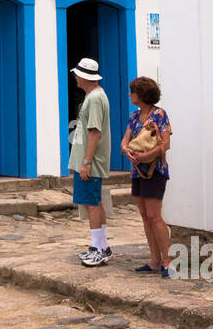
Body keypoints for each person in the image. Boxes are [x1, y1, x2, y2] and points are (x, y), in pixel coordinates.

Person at [121, 77, 173, 277]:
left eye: (132, 91)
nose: (129, 95)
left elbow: (165, 144)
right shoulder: (134, 117)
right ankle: (154, 260)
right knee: (144, 216)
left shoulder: (160, 115)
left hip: (155, 170)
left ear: (141, 94)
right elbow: (125, 140)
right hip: (137, 171)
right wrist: (127, 150)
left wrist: (145, 156)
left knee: (154, 215)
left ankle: (167, 260)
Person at [69, 58, 113, 267]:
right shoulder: (95, 96)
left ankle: (97, 249)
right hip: (89, 160)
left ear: (84, 77)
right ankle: (102, 246)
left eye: (77, 74)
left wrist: (86, 161)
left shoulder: (94, 98)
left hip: (90, 161)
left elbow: (95, 131)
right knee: (95, 201)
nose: (75, 78)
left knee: (91, 204)